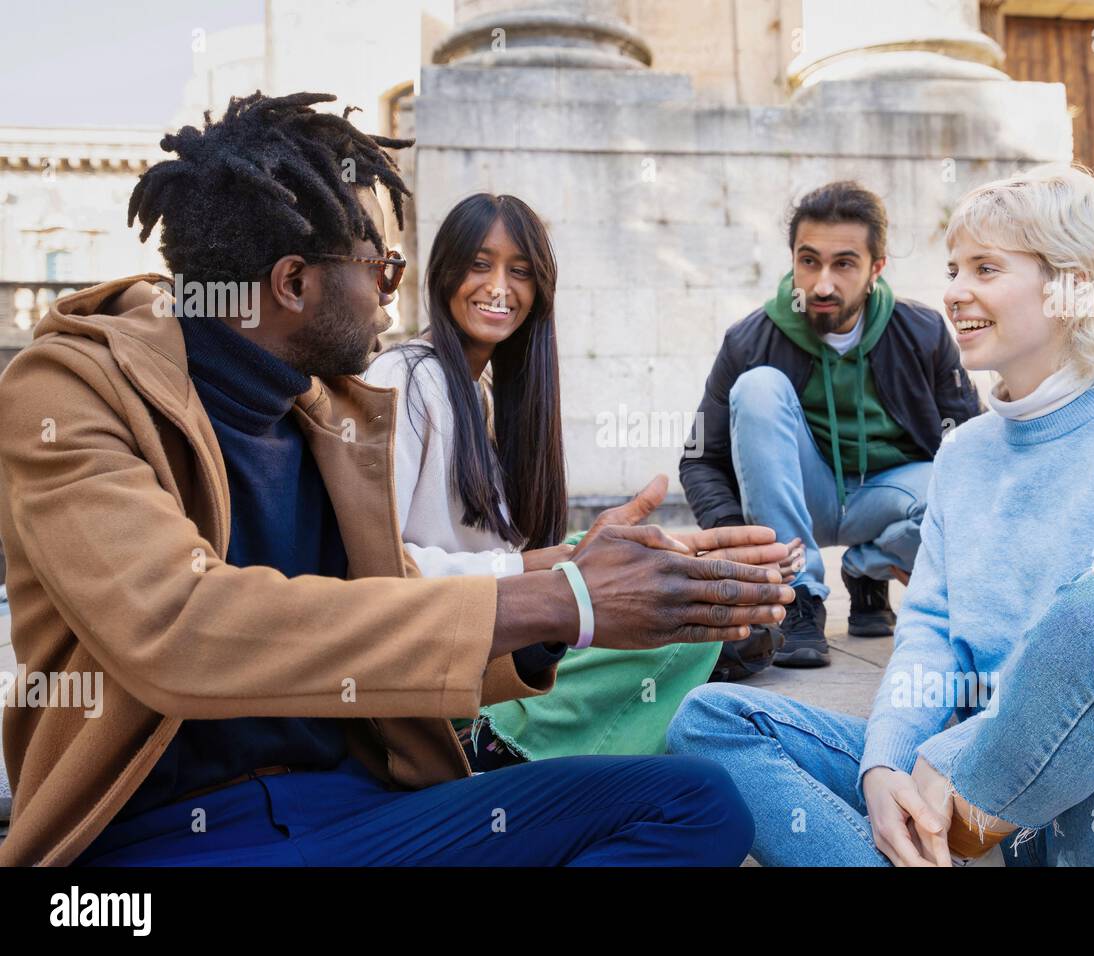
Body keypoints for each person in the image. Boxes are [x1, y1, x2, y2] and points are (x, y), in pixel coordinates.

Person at [0, 92, 793, 867]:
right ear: (293, 283)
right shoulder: (71, 390)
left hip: (357, 810)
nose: (393, 297)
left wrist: (580, 587)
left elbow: (399, 613)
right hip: (162, 836)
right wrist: (557, 596)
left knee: (698, 801)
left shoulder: (332, 415)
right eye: (383, 268)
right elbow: (177, 625)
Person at [668, 164, 1094, 866]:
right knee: (711, 721)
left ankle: (950, 828)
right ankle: (924, 838)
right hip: (973, 796)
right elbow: (926, 633)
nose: (954, 292)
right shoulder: (964, 454)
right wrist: (887, 764)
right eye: (954, 269)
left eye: (985, 268)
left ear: (1073, 284)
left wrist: (955, 761)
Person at [362, 192, 798, 764]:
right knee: (672, 623)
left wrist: (647, 552)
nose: (500, 286)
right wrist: (547, 571)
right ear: (443, 270)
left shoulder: (487, 394)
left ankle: (531, 737)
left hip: (495, 642)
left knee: (677, 605)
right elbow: (383, 566)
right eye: (479, 264)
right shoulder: (405, 375)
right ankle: (500, 745)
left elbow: (517, 559)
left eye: (520, 271)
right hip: (435, 654)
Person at [680, 181, 980, 667]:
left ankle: (866, 568)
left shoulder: (922, 333)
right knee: (758, 388)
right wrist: (741, 543)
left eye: (843, 264)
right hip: (797, 500)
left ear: (875, 267)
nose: (821, 284)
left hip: (889, 498)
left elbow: (974, 449)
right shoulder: (748, 340)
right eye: (809, 261)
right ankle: (797, 598)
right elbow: (698, 461)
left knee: (963, 484)